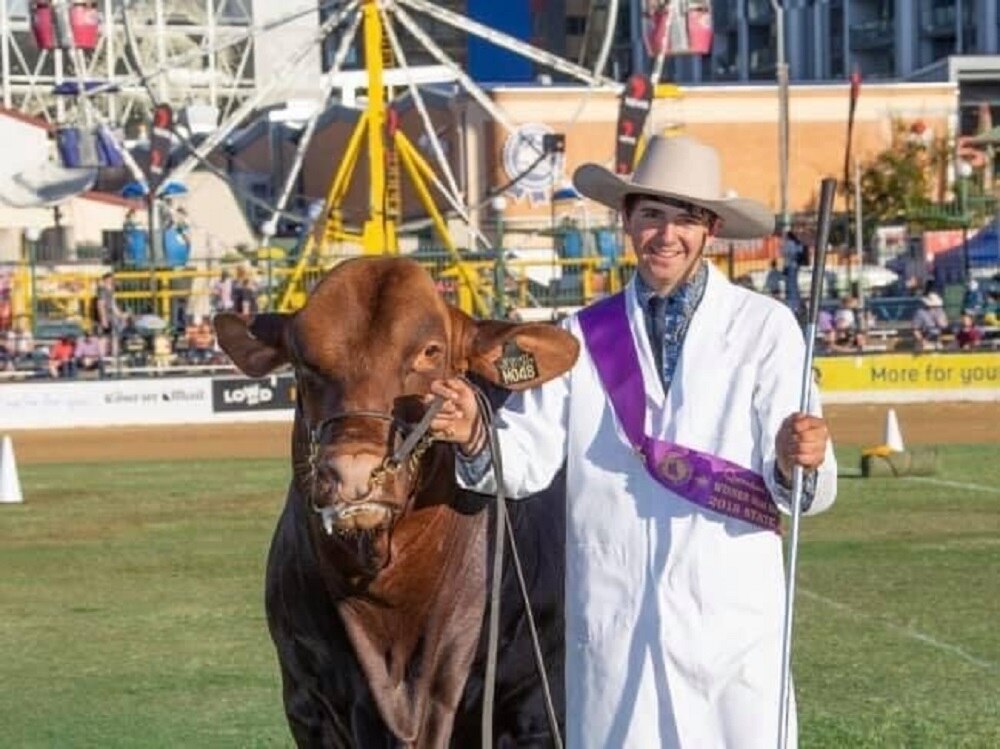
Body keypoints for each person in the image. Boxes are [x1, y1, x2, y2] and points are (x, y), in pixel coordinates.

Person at [429, 135, 837, 748]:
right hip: (615, 619)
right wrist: (473, 434)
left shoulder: (766, 328)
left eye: (684, 219)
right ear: (626, 221)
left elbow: (800, 484)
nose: (665, 234)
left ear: (711, 229)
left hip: (731, 619)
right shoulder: (579, 336)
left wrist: (796, 456)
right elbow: (526, 459)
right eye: (651, 215)